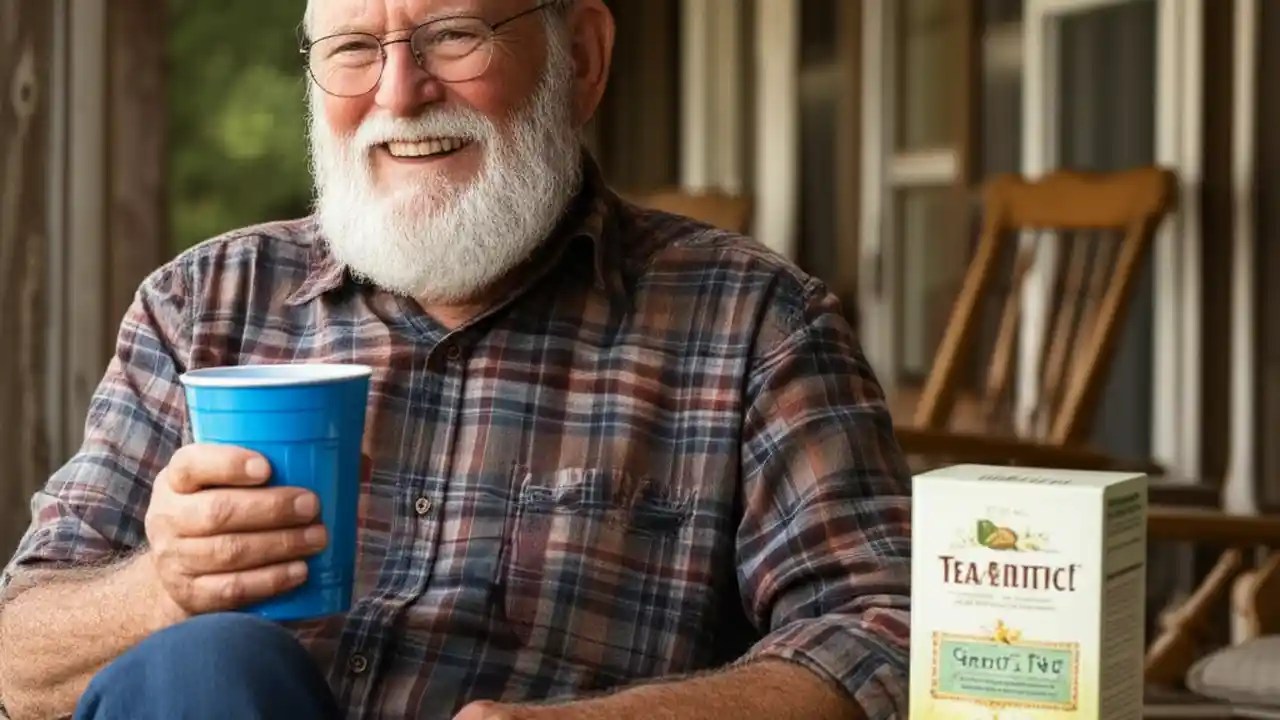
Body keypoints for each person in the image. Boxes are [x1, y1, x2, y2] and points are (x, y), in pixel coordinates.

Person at [0, 0, 912, 718]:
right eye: (354, 47)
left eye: (453, 36)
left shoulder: (754, 323)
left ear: (581, 58)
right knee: (209, 664)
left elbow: (887, 637)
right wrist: (163, 589)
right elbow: (18, 657)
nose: (399, 94)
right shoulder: (203, 303)